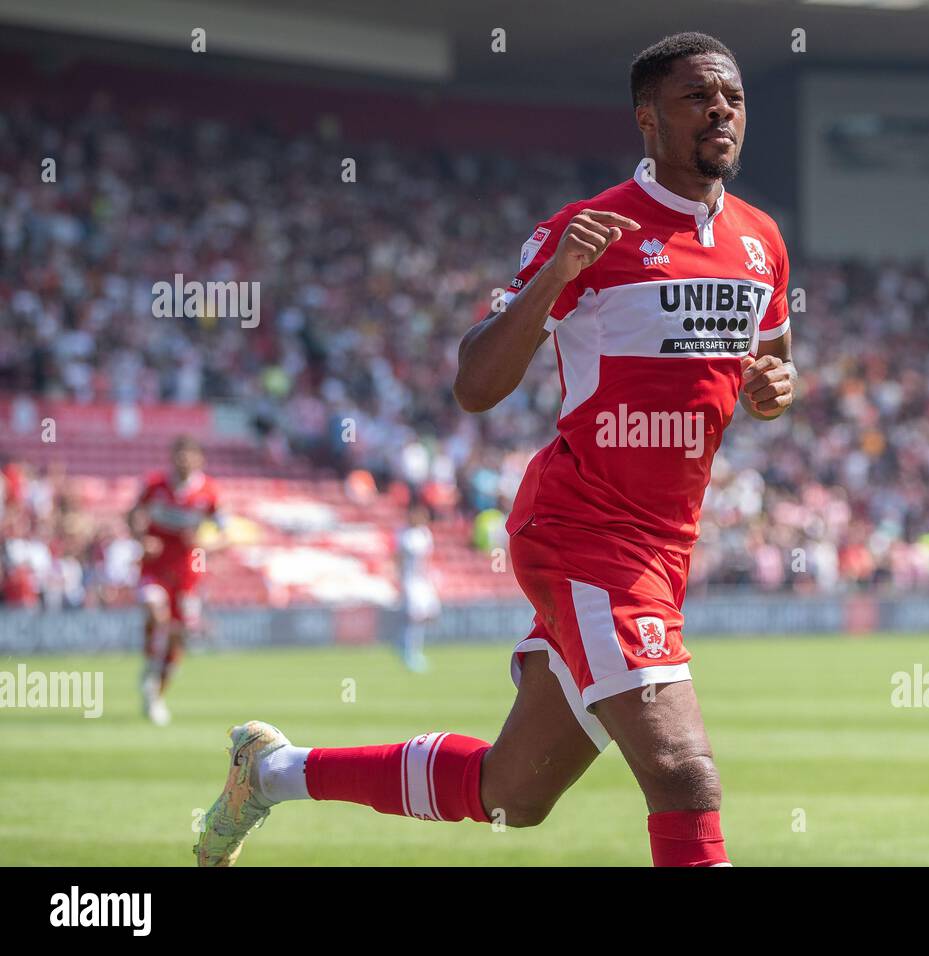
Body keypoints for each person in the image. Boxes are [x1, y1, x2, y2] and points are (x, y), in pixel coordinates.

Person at [195, 31, 796, 867]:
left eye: (731, 95)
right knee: (683, 773)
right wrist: (554, 277)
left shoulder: (762, 239)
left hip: (667, 547)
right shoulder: (588, 230)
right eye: (698, 96)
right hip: (586, 533)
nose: (722, 110)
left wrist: (774, 391)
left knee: (513, 795)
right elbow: (475, 383)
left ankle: (271, 773)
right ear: (647, 119)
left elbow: (773, 368)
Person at [128, 435, 225, 725]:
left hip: (188, 575)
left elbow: (227, 533)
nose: (183, 462)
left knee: (178, 637)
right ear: (172, 458)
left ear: (199, 460)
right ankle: (149, 665)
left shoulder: (209, 492)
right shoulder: (155, 485)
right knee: (155, 613)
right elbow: (133, 515)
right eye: (179, 456)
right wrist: (142, 538)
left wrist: (206, 544)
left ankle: (156, 692)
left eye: (189, 457)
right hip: (155, 568)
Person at [395, 500, 440, 672]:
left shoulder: (424, 533)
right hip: (410, 579)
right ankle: (410, 652)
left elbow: (427, 559)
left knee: (430, 614)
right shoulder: (403, 534)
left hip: (423, 579)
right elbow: (398, 558)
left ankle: (407, 646)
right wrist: (399, 580)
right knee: (415, 616)